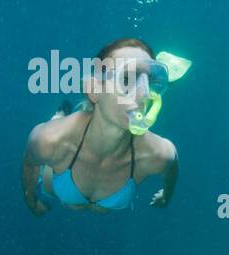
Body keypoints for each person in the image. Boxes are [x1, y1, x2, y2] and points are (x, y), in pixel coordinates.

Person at [22, 38, 184, 214]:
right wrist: (32, 201)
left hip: (87, 195)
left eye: (149, 81)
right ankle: (59, 115)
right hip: (57, 176)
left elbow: (172, 170)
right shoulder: (47, 141)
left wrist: (165, 196)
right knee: (56, 125)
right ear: (94, 89)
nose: (144, 94)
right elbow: (30, 165)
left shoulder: (159, 154)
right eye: (127, 78)